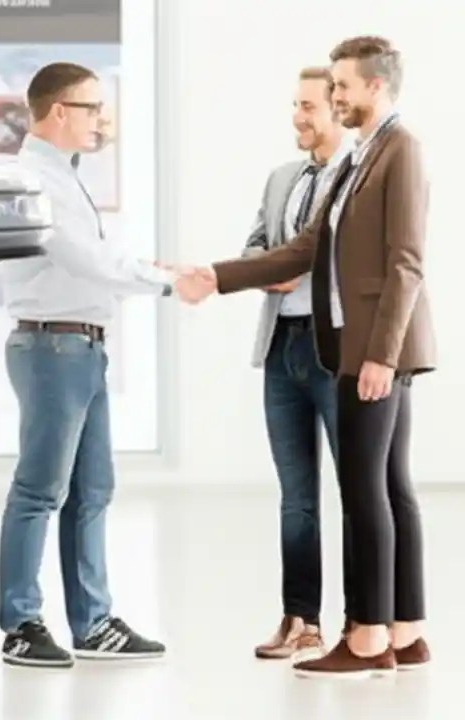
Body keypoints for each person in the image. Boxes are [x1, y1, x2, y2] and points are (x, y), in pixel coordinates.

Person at [178, 35, 434, 677]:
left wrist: (379, 354)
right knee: (390, 487)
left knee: (365, 490)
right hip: (355, 343)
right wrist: (214, 274)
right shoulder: (359, 159)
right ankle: (407, 631)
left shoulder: (400, 149)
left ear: (375, 86)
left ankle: (368, 637)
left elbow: (406, 262)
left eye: (343, 87)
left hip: (371, 348)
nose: (336, 96)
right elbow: (304, 250)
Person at [0, 61, 177, 668]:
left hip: (82, 346)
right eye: (92, 107)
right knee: (39, 489)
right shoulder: (31, 178)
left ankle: (93, 622)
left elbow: (103, 253)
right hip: (52, 348)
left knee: (92, 488)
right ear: (56, 113)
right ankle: (21, 623)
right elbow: (83, 261)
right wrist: (167, 284)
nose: (102, 119)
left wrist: (156, 272)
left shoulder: (64, 178)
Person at [246, 66, 352, 661]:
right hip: (281, 348)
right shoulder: (282, 177)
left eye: (309, 106)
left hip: (332, 350)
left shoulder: (357, 177)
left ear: (338, 108)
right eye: (294, 105)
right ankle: (300, 618)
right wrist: (267, 267)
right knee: (296, 498)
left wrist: (305, 268)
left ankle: (361, 622)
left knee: (354, 490)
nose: (298, 116)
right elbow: (254, 244)